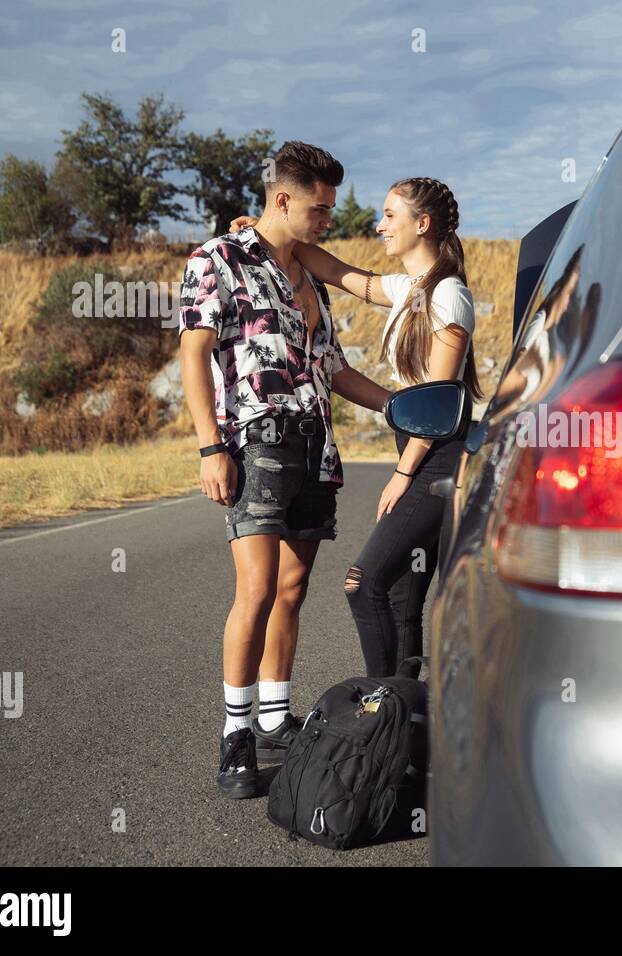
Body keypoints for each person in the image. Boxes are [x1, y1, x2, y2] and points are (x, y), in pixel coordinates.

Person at [179, 141, 390, 798]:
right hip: (255, 441)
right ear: (282, 199)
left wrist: (399, 406)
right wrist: (211, 448)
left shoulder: (310, 278)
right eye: (320, 209)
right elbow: (194, 355)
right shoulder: (218, 259)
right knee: (257, 589)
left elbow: (335, 369)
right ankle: (236, 734)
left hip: (314, 445)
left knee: (293, 590)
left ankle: (274, 717)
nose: (329, 218)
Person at [234, 176, 482, 678]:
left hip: (437, 453)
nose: (379, 225)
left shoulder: (448, 295)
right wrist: (265, 233)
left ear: (422, 223)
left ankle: (379, 703)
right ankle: (402, 717)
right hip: (420, 447)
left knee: (363, 582)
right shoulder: (409, 289)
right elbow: (336, 270)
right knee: (401, 599)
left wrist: (403, 474)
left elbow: (436, 404)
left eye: (390, 215)